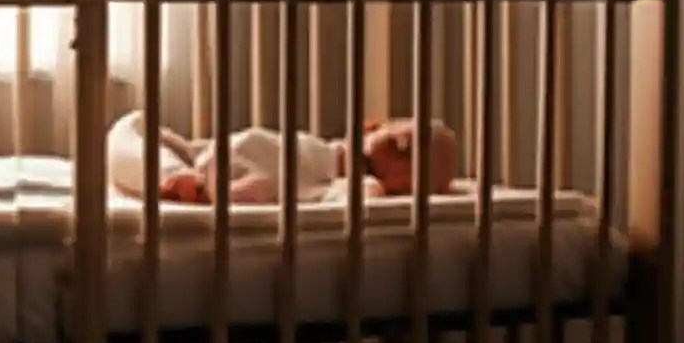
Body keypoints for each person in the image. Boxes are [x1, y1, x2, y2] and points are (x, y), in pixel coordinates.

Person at [107, 110, 458, 205]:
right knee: (132, 125)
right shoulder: (327, 148)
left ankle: (195, 185)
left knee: (259, 185)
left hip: (250, 175)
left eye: (414, 167)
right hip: (210, 153)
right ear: (369, 126)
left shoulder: (353, 185)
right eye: (401, 142)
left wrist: (373, 186)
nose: (402, 154)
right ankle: (176, 174)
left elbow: (350, 197)